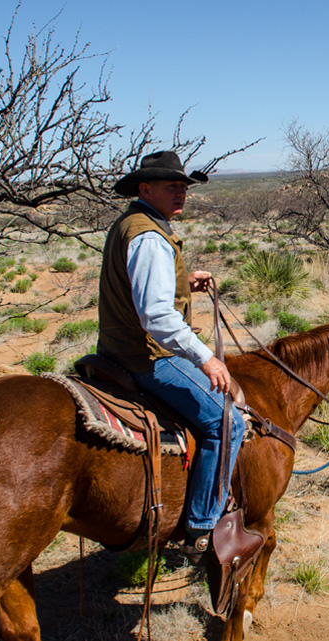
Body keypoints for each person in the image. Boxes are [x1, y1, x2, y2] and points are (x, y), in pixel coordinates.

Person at [97, 150, 245, 557]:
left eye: (183, 186)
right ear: (145, 188)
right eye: (171, 186)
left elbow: (147, 290)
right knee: (227, 421)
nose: (181, 192)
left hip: (115, 349)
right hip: (147, 357)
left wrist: (184, 282)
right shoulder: (148, 237)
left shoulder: (135, 224)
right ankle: (201, 526)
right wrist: (206, 358)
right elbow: (157, 317)